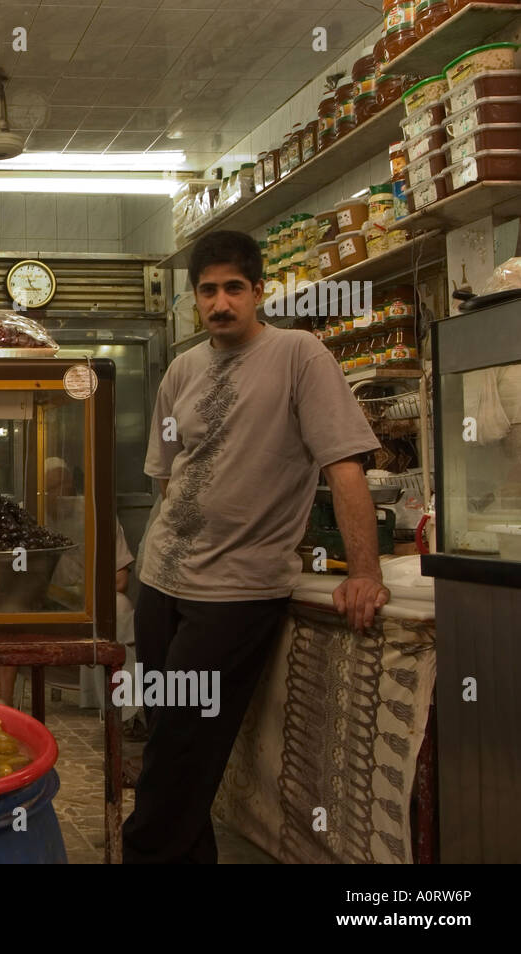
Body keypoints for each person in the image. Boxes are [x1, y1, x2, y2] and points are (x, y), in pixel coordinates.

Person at [122, 230, 388, 864]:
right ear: (194, 300)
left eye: (233, 288)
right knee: (167, 734)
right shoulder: (182, 368)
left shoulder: (300, 355)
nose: (221, 303)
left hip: (236, 591)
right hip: (161, 583)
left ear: (259, 291)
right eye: (208, 291)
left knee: (180, 748)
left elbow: (344, 465)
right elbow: (164, 469)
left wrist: (368, 572)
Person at [0, 458, 133, 709]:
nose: (61, 494)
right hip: (39, 603)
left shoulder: (96, 513)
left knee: (121, 606)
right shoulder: (23, 516)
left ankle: (124, 708)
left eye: (65, 486)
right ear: (40, 492)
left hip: (88, 603)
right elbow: (7, 579)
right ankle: (5, 699)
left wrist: (87, 596)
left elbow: (121, 577)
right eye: (52, 488)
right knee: (7, 611)